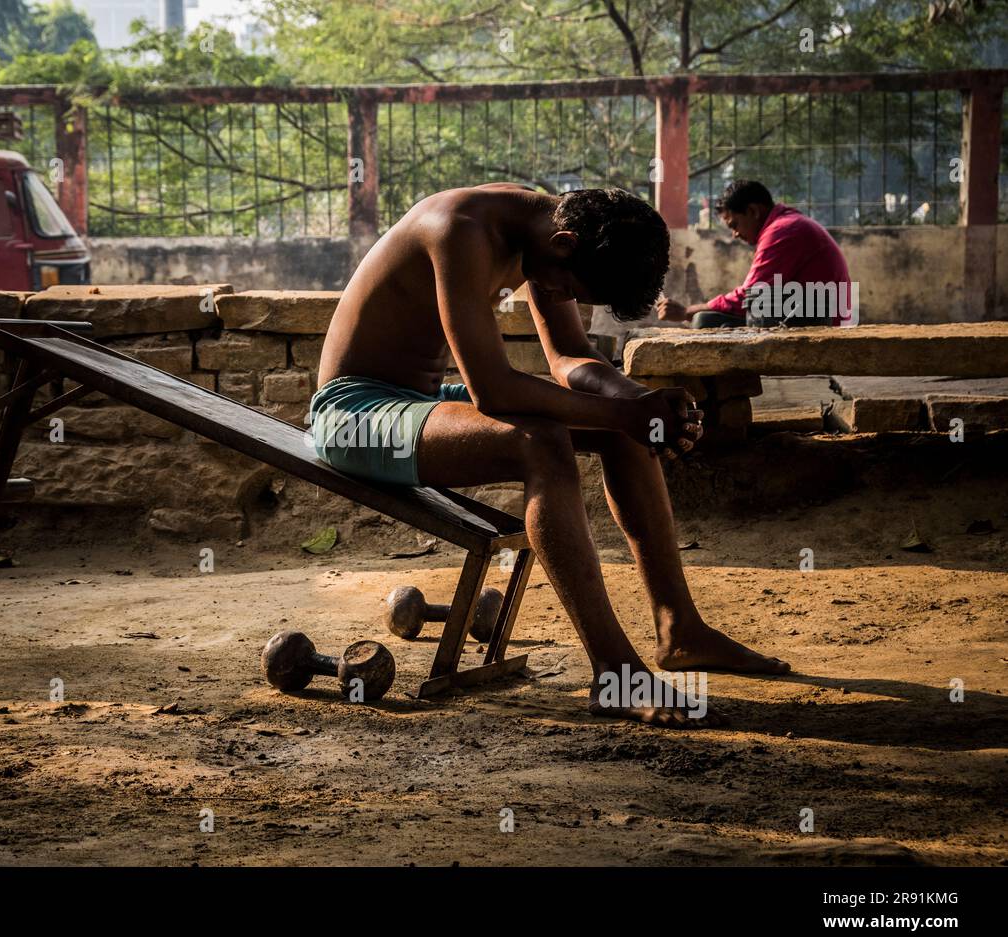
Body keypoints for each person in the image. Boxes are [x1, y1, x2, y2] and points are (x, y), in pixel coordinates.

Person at [309, 184, 790, 729]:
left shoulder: (549, 233)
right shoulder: (458, 230)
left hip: (416, 403)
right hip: (355, 418)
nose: (564, 296)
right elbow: (492, 390)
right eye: (572, 288)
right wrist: (619, 412)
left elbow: (569, 358)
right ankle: (614, 674)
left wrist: (636, 402)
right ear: (562, 246)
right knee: (541, 443)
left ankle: (680, 630)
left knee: (619, 433)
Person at [657, 179, 855, 328]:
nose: (735, 235)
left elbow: (749, 297)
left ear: (753, 211)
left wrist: (686, 312)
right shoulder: (789, 224)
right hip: (822, 313)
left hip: (823, 319)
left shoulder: (782, 231)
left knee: (706, 321)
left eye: (734, 225)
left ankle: (738, 385)